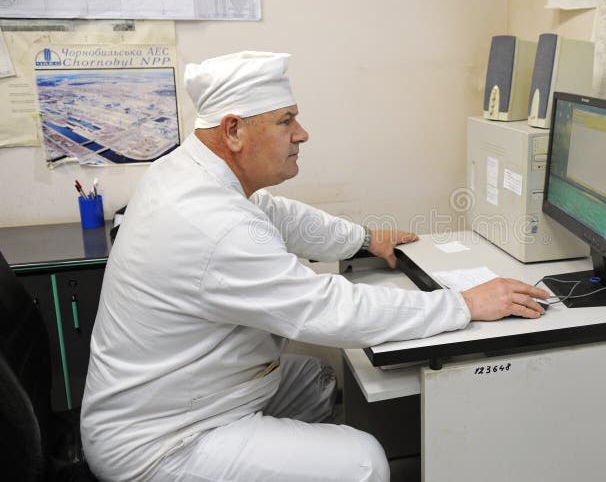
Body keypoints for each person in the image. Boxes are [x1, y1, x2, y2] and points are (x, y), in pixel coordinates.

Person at [80, 51, 548, 482]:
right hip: (160, 442)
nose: (301, 134)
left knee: (320, 380)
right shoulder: (211, 225)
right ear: (233, 131)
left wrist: (365, 239)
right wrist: (463, 304)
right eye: (286, 122)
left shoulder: (188, 172)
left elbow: (278, 215)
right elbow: (327, 309)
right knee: (363, 461)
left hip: (196, 392)